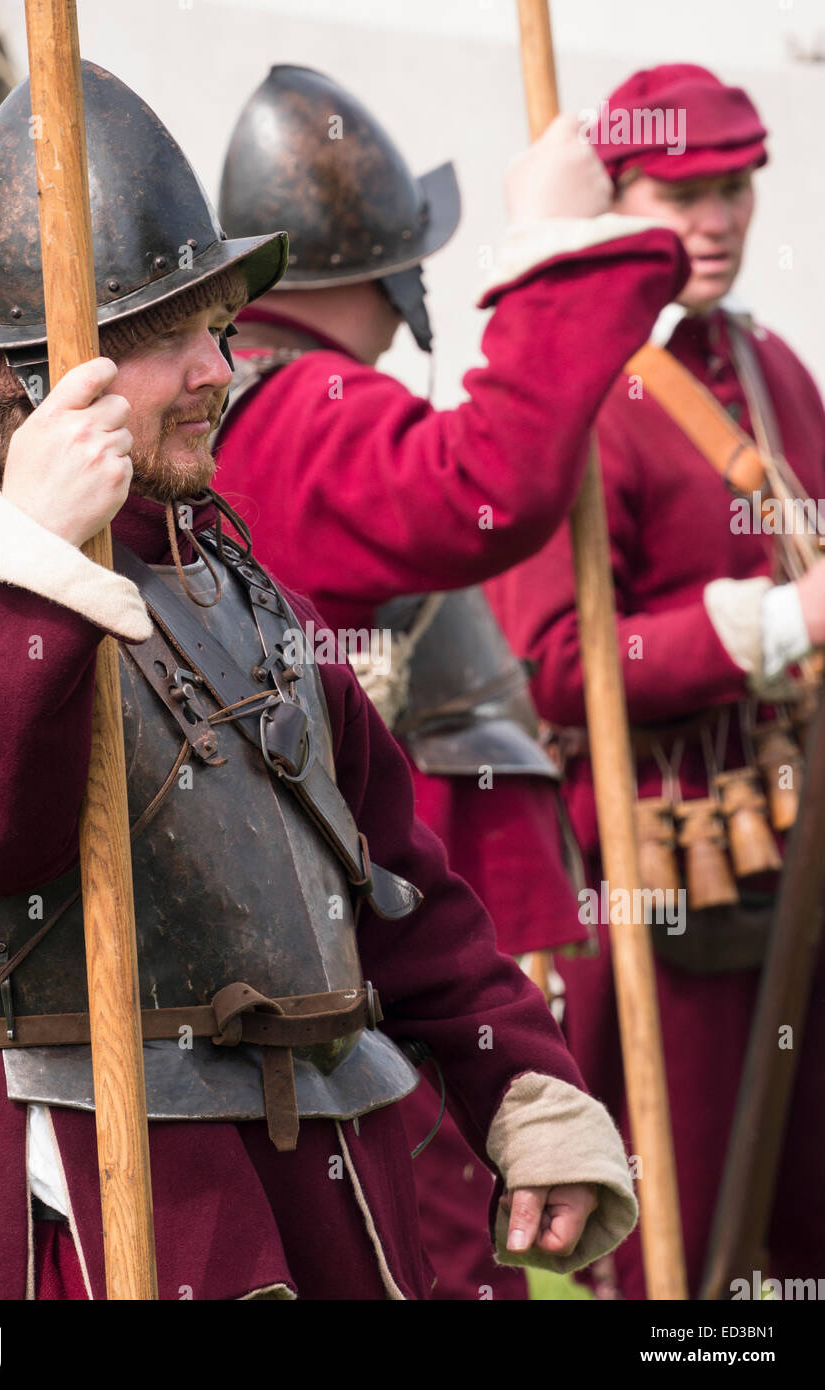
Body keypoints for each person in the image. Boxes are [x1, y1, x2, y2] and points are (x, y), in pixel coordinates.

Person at [0, 62, 638, 1302]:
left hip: (322, 1189)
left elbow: (392, 882)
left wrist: (521, 1083)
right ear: (42, 372)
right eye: (169, 337)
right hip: (91, 1208)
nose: (219, 368)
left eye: (213, 326)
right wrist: (35, 575)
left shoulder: (240, 589)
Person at [211, 65, 689, 1297]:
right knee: (438, 1254)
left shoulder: (277, 402)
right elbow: (492, 482)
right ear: (382, 270)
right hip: (383, 951)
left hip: (379, 940)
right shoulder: (301, 405)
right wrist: (558, 249)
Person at [490, 63, 825, 1299]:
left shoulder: (782, 369)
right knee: (683, 1244)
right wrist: (777, 621)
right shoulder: (580, 386)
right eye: (680, 190)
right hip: (655, 873)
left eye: (733, 186)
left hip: (793, 857)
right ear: (617, 195)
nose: (716, 217)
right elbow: (563, 666)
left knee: (802, 1222)